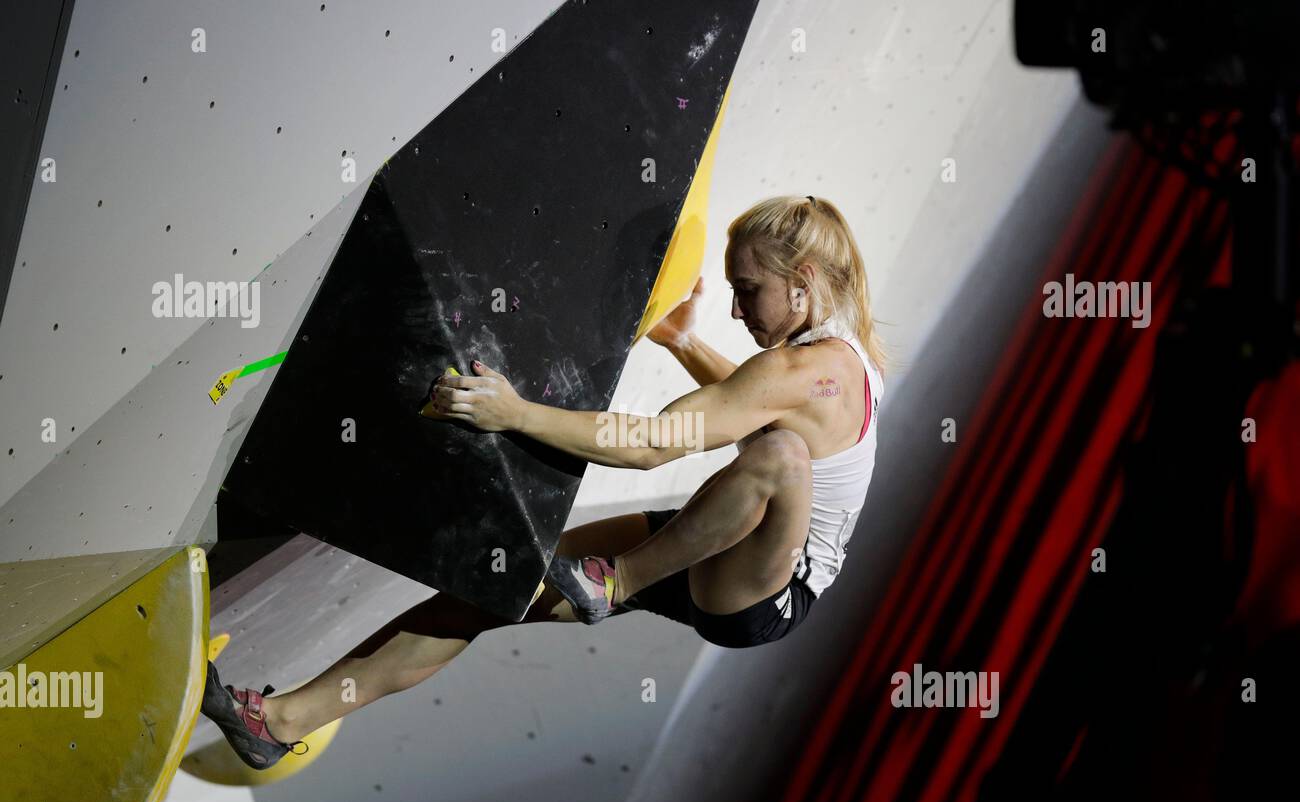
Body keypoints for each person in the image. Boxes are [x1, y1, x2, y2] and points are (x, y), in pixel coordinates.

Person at [201, 195, 888, 769]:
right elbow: (753, 409)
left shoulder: (807, 374)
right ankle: (279, 722)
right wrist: (683, 342)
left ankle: (616, 579)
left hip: (763, 593)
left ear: (801, 280)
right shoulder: (839, 360)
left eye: (748, 290)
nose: (737, 312)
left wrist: (516, 414)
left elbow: (654, 444)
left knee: (782, 458)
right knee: (480, 598)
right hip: (711, 540)